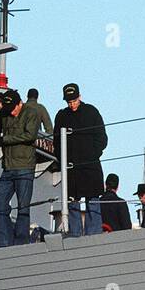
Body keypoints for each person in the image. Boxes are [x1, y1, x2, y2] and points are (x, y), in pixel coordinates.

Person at [0, 88, 41, 247]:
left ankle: (21, 243)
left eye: (14, 108)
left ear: (20, 103)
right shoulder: (4, 113)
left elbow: (30, 135)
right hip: (8, 168)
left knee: (23, 207)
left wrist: (6, 139)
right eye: (9, 108)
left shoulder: (31, 113)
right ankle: (4, 242)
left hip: (25, 167)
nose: (12, 111)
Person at [54, 82, 108, 237]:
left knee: (93, 201)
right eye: (69, 102)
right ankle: (75, 236)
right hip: (71, 167)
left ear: (80, 97)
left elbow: (102, 138)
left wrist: (93, 154)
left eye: (74, 101)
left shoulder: (91, 112)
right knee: (73, 202)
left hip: (90, 164)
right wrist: (63, 161)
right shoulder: (62, 115)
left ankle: (93, 236)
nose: (72, 105)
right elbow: (57, 142)